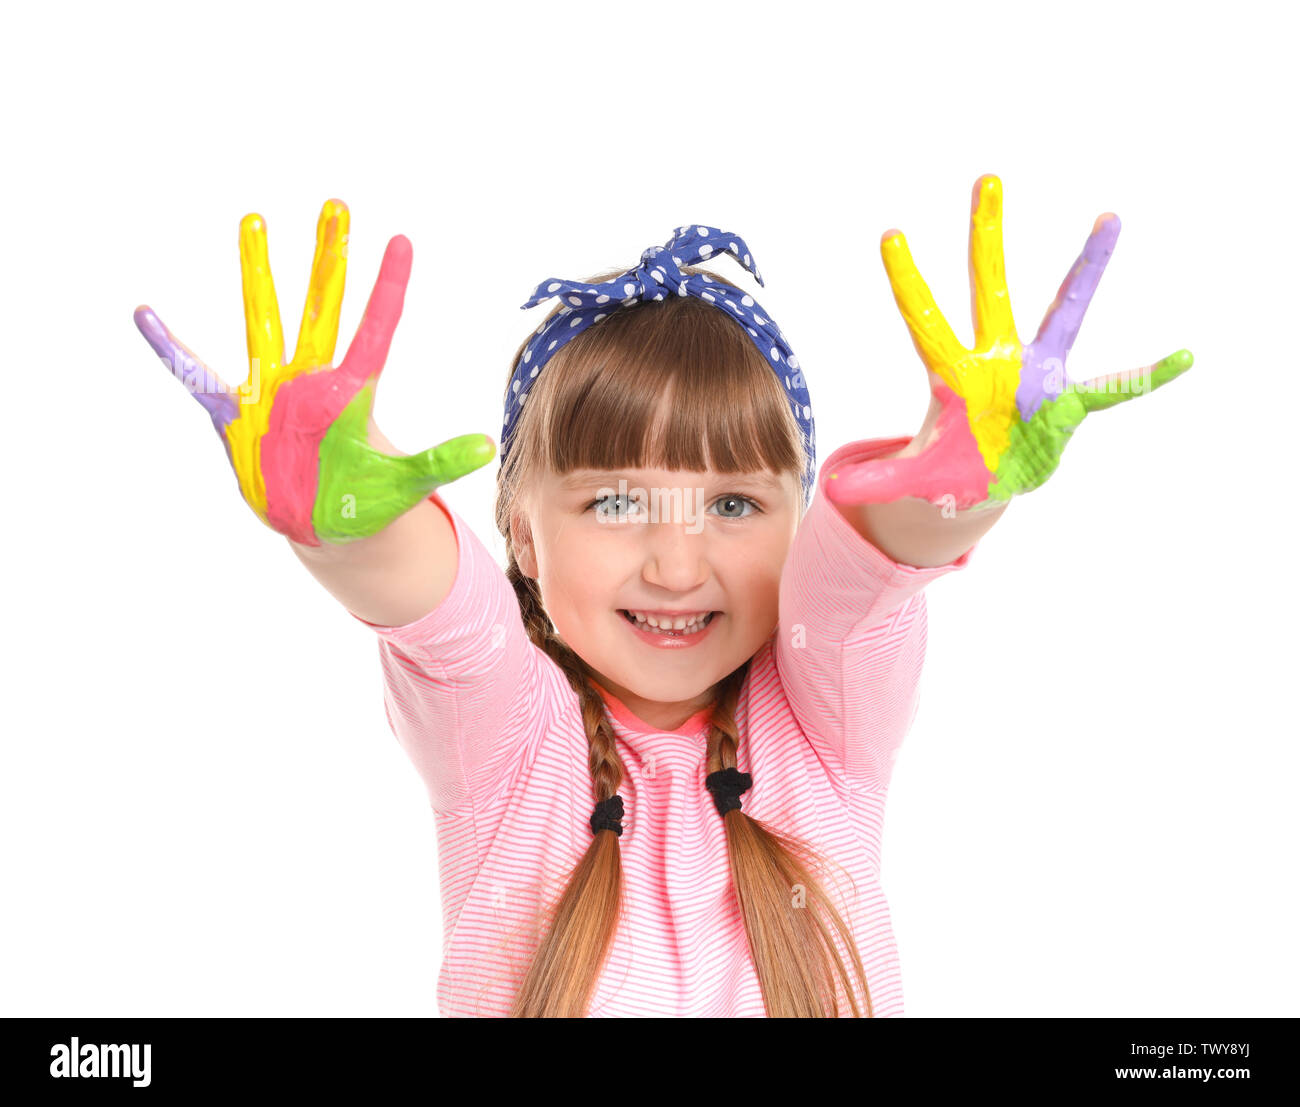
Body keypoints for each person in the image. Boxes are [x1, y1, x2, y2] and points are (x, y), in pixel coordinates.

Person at [133, 178, 1192, 1017]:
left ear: (798, 517)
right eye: (615, 502)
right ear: (522, 534)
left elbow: (862, 576)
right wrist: (349, 529)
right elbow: (442, 623)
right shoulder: (511, 742)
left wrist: (949, 496)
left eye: (734, 504)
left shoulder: (823, 717)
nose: (678, 566)